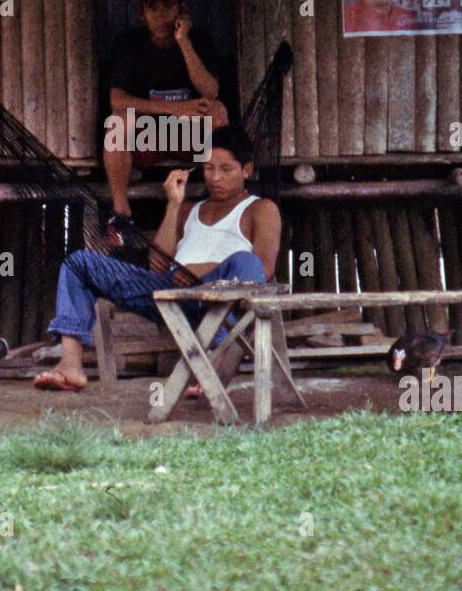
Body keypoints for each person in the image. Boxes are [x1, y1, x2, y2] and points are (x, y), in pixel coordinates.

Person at [34, 125, 281, 392]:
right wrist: (173, 204)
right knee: (78, 263)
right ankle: (71, 366)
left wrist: (198, 271)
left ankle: (214, 366)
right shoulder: (189, 210)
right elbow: (158, 265)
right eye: (209, 168)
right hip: (171, 294)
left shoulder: (260, 208)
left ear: (246, 170)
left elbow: (263, 269)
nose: (216, 177)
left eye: (226, 169)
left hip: (219, 300)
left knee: (246, 261)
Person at [105, 0, 228, 229]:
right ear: (142, 12)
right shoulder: (129, 44)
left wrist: (184, 41)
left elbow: (211, 91)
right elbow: (117, 100)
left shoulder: (198, 40)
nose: (162, 15)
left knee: (218, 112)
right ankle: (121, 214)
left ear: (180, 8)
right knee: (118, 121)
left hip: (188, 137)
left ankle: (216, 200)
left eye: (168, 7)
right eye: (154, 8)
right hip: (148, 137)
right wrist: (177, 108)